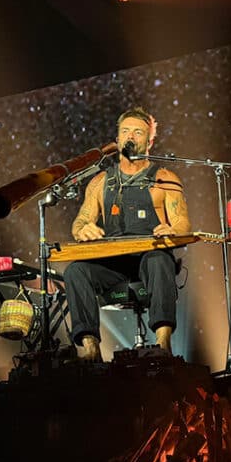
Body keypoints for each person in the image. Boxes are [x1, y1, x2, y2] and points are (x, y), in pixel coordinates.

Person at [64, 107, 191, 360]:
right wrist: (83, 229)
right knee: (75, 270)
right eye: (125, 131)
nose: (130, 136)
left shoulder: (165, 179)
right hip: (113, 263)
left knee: (158, 260)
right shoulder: (100, 181)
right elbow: (80, 222)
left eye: (137, 132)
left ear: (149, 140)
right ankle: (91, 350)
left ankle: (163, 345)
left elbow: (183, 223)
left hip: (149, 259)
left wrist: (172, 229)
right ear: (118, 138)